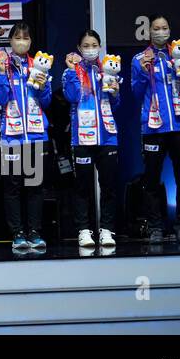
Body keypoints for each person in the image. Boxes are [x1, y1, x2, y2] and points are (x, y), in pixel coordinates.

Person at [131, 15, 180, 241]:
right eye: (156, 28)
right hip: (153, 128)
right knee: (151, 180)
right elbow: (136, 93)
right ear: (149, 31)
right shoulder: (140, 59)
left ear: (169, 30)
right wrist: (143, 71)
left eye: (164, 27)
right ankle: (155, 227)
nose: (161, 31)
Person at [0, 22, 53, 254]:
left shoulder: (39, 66)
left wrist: (44, 87)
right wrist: (1, 74)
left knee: (35, 187)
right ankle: (17, 234)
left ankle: (35, 232)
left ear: (31, 42)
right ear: (11, 41)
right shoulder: (0, 68)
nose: (22, 41)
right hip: (12, 137)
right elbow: (0, 97)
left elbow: (46, 102)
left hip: (36, 135)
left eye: (26, 38)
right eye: (17, 37)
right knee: (13, 188)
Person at [62, 29, 121, 249]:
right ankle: (84, 230)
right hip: (82, 138)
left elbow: (116, 104)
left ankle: (107, 230)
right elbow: (71, 96)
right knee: (82, 187)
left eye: (94, 44)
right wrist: (71, 72)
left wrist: (115, 92)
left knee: (108, 186)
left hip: (107, 137)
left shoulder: (108, 68)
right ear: (79, 48)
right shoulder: (71, 71)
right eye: (85, 45)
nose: (90, 49)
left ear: (99, 46)